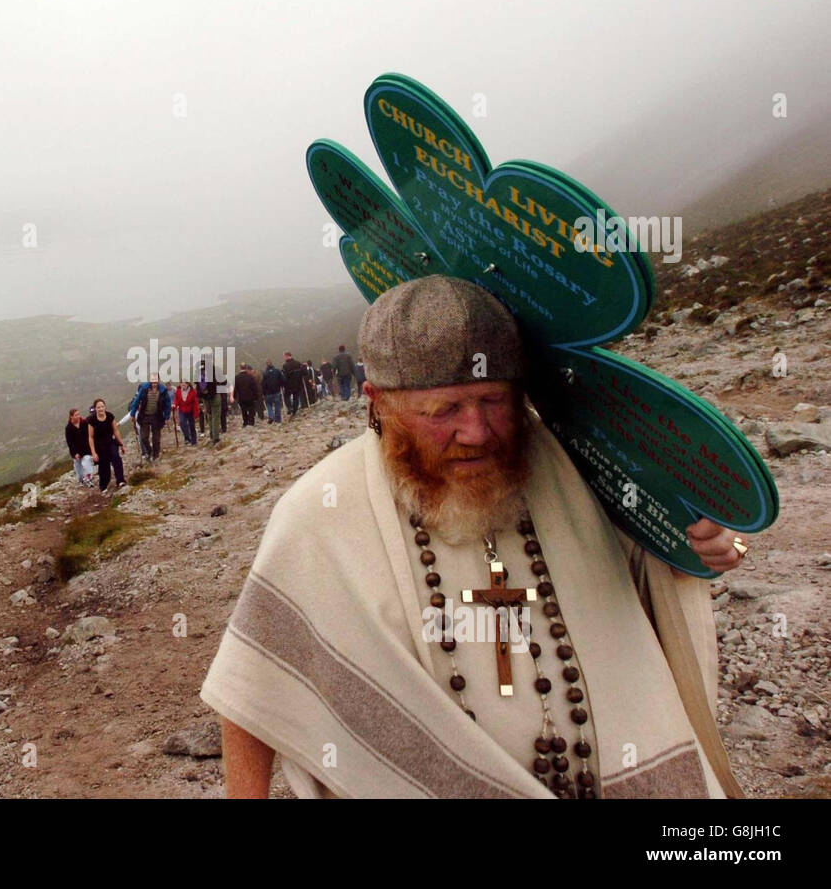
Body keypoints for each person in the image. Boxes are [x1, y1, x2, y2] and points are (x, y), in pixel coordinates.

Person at [201, 275, 748, 799]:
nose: (476, 432)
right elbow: (256, 678)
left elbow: (656, 561)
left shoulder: (574, 468)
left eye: (493, 401)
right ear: (377, 401)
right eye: (444, 411)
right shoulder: (318, 514)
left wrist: (706, 546)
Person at [129, 372, 172, 463]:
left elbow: (167, 404)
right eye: (152, 381)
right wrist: (132, 414)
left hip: (157, 416)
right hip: (144, 416)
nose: (154, 383)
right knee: (144, 437)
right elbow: (137, 401)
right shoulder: (144, 389)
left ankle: (156, 455)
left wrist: (167, 417)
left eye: (155, 381)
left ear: (158, 380)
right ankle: (149, 451)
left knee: (156, 438)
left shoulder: (163, 390)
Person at [86, 398, 128, 491]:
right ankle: (104, 485)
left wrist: (121, 444)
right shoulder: (91, 420)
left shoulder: (110, 416)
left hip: (110, 442)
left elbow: (116, 431)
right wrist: (93, 453)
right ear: (95, 409)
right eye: (98, 407)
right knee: (103, 465)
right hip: (99, 446)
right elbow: (90, 437)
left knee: (116, 458)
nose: (100, 409)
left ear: (105, 407)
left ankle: (120, 480)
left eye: (102, 407)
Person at [198, 358, 226, 446]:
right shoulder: (216, 369)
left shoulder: (199, 370)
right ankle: (216, 438)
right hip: (215, 395)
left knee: (209, 416)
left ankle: (211, 434)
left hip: (205, 397)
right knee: (216, 417)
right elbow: (224, 381)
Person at [64, 408, 94, 487]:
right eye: (76, 415)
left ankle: (89, 479)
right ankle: (80, 480)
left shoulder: (84, 423)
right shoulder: (68, 428)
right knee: (78, 467)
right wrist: (75, 453)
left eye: (78, 414)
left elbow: (89, 435)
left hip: (86, 449)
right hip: (76, 451)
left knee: (87, 461)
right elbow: (69, 442)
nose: (78, 416)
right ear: (71, 417)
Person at [174, 380, 200, 445]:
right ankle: (187, 437)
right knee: (182, 423)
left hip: (190, 410)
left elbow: (195, 403)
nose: (183, 384)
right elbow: (176, 400)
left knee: (192, 426)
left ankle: (194, 441)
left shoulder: (193, 391)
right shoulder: (178, 391)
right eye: (182, 383)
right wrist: (174, 405)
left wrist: (196, 413)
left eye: (185, 383)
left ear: (188, 384)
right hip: (182, 410)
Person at [282, 352, 306, 418]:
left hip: (289, 385)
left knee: (286, 396)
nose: (284, 358)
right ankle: (294, 411)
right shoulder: (298, 363)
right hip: (298, 384)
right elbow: (304, 372)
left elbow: (284, 376)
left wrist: (283, 383)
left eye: (284, 357)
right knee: (296, 398)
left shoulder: (285, 365)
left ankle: (290, 407)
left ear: (287, 356)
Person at [261, 360, 285, 424]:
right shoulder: (277, 371)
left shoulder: (264, 373)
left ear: (266, 365)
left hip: (268, 393)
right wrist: (281, 386)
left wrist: (263, 393)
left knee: (269, 405)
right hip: (276, 391)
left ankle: (271, 416)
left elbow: (263, 384)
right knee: (277, 405)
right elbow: (283, 380)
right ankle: (277, 419)